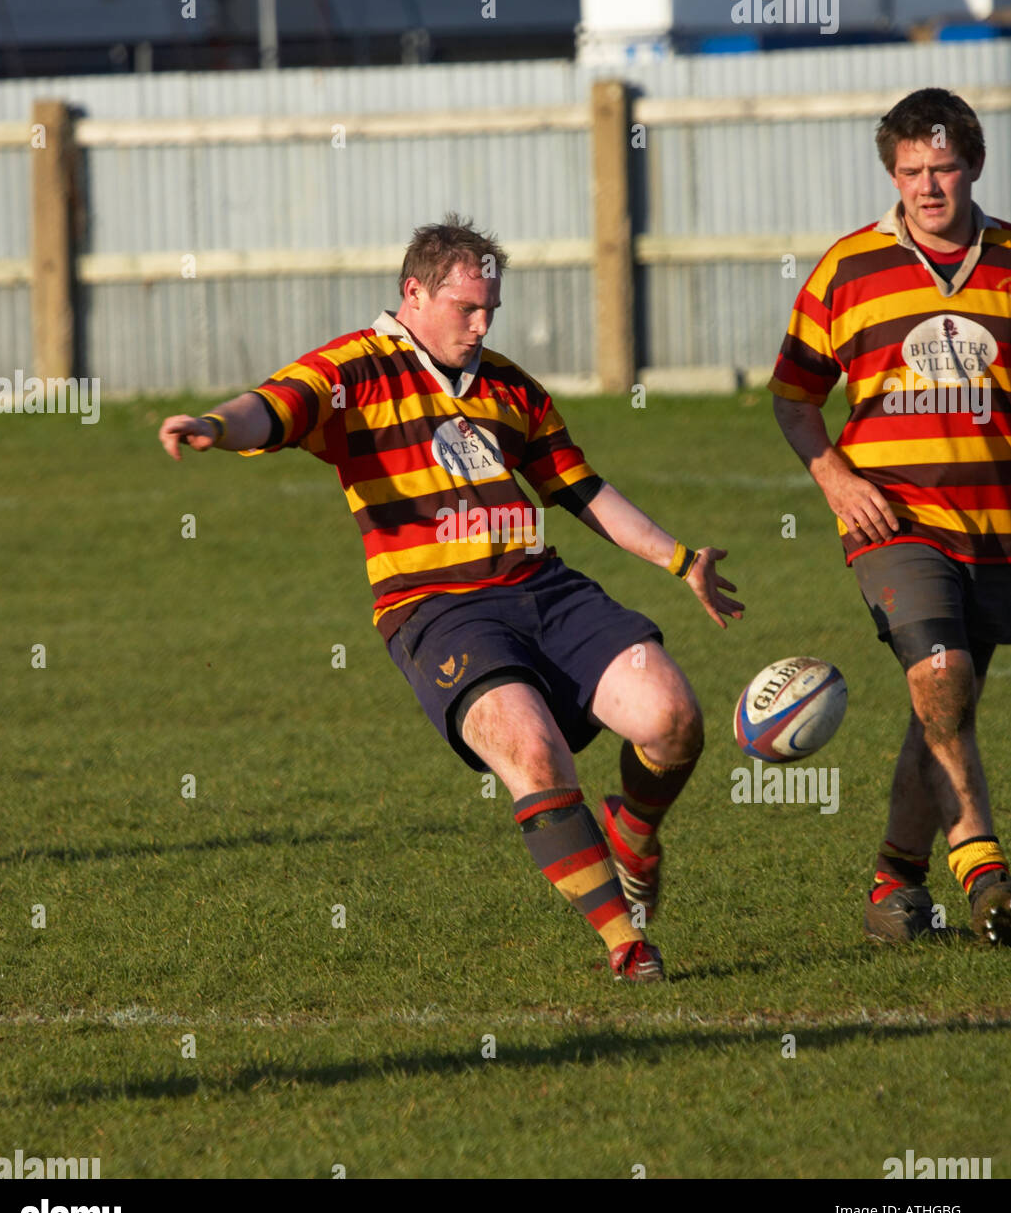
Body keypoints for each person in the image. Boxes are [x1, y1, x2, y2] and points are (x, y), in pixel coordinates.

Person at [160, 214, 743, 981]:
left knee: (673, 721)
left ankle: (634, 829)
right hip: (436, 607)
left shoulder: (507, 385)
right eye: (466, 308)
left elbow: (579, 489)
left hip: (544, 586)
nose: (480, 325)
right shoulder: (355, 368)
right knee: (535, 754)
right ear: (414, 292)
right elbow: (272, 404)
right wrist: (213, 424)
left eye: (489, 310)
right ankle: (625, 944)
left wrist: (678, 559)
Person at [770, 89, 1011, 945]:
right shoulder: (846, 269)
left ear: (973, 164)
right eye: (910, 171)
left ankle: (893, 884)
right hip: (893, 523)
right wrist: (835, 480)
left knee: (942, 705)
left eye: (942, 167)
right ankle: (985, 874)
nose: (926, 186)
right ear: (890, 173)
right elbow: (793, 397)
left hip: (995, 529)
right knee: (939, 671)